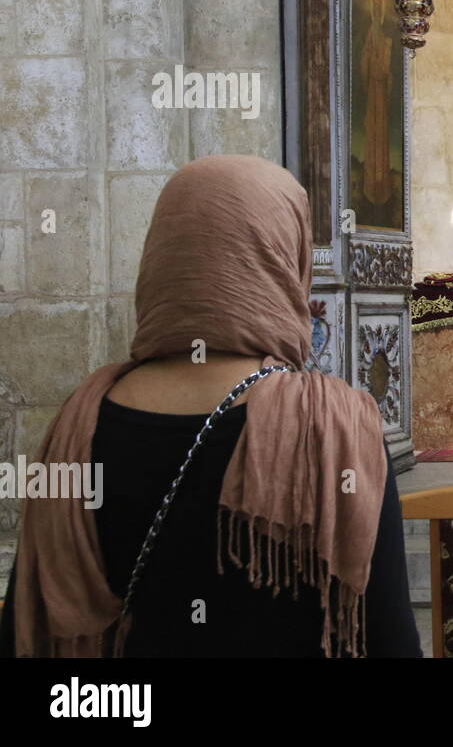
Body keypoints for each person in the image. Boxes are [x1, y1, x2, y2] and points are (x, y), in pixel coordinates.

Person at [0, 156, 421, 657]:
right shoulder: (338, 427)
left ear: (162, 257)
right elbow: (390, 642)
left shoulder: (78, 422)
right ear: (285, 262)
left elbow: (23, 630)